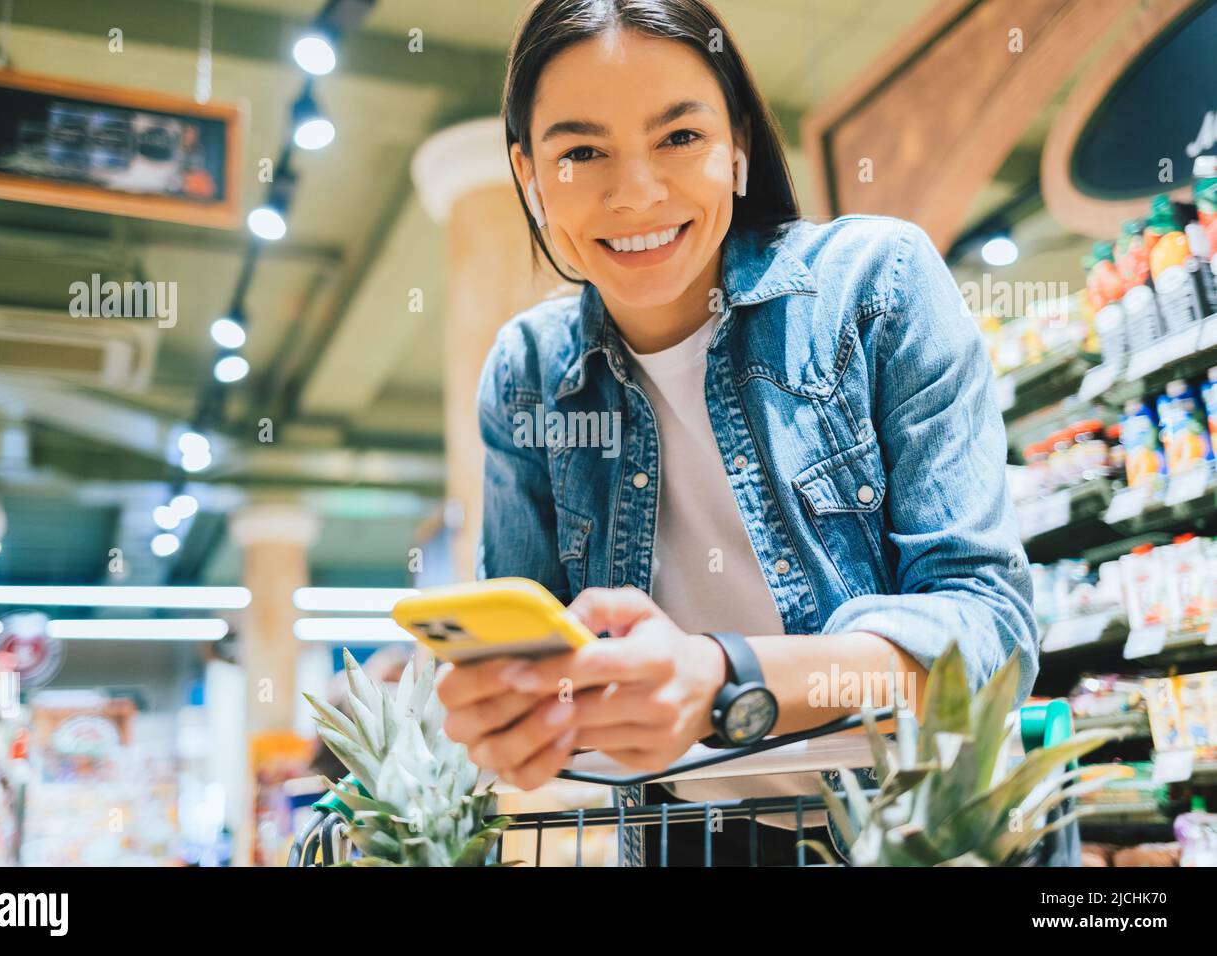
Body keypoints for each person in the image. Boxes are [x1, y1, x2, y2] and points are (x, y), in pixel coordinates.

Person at [435, 0, 1039, 866]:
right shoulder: (528, 373)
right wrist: (512, 710)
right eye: (581, 152)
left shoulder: (878, 286)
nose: (636, 191)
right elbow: (537, 656)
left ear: (739, 146)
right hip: (684, 844)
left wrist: (726, 680)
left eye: (680, 137)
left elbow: (991, 631)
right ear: (530, 176)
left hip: (915, 834)